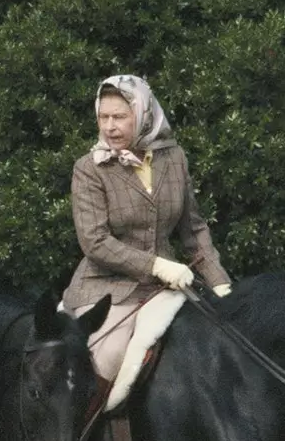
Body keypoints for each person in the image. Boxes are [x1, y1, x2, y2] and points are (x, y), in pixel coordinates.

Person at [62, 74, 232, 383]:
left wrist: (221, 284)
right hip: (108, 287)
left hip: (165, 288)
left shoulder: (174, 158)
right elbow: (94, 241)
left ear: (142, 115)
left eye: (119, 117)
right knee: (109, 359)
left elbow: (193, 229)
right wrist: (156, 265)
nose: (109, 126)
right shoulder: (90, 168)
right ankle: (92, 431)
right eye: (103, 117)